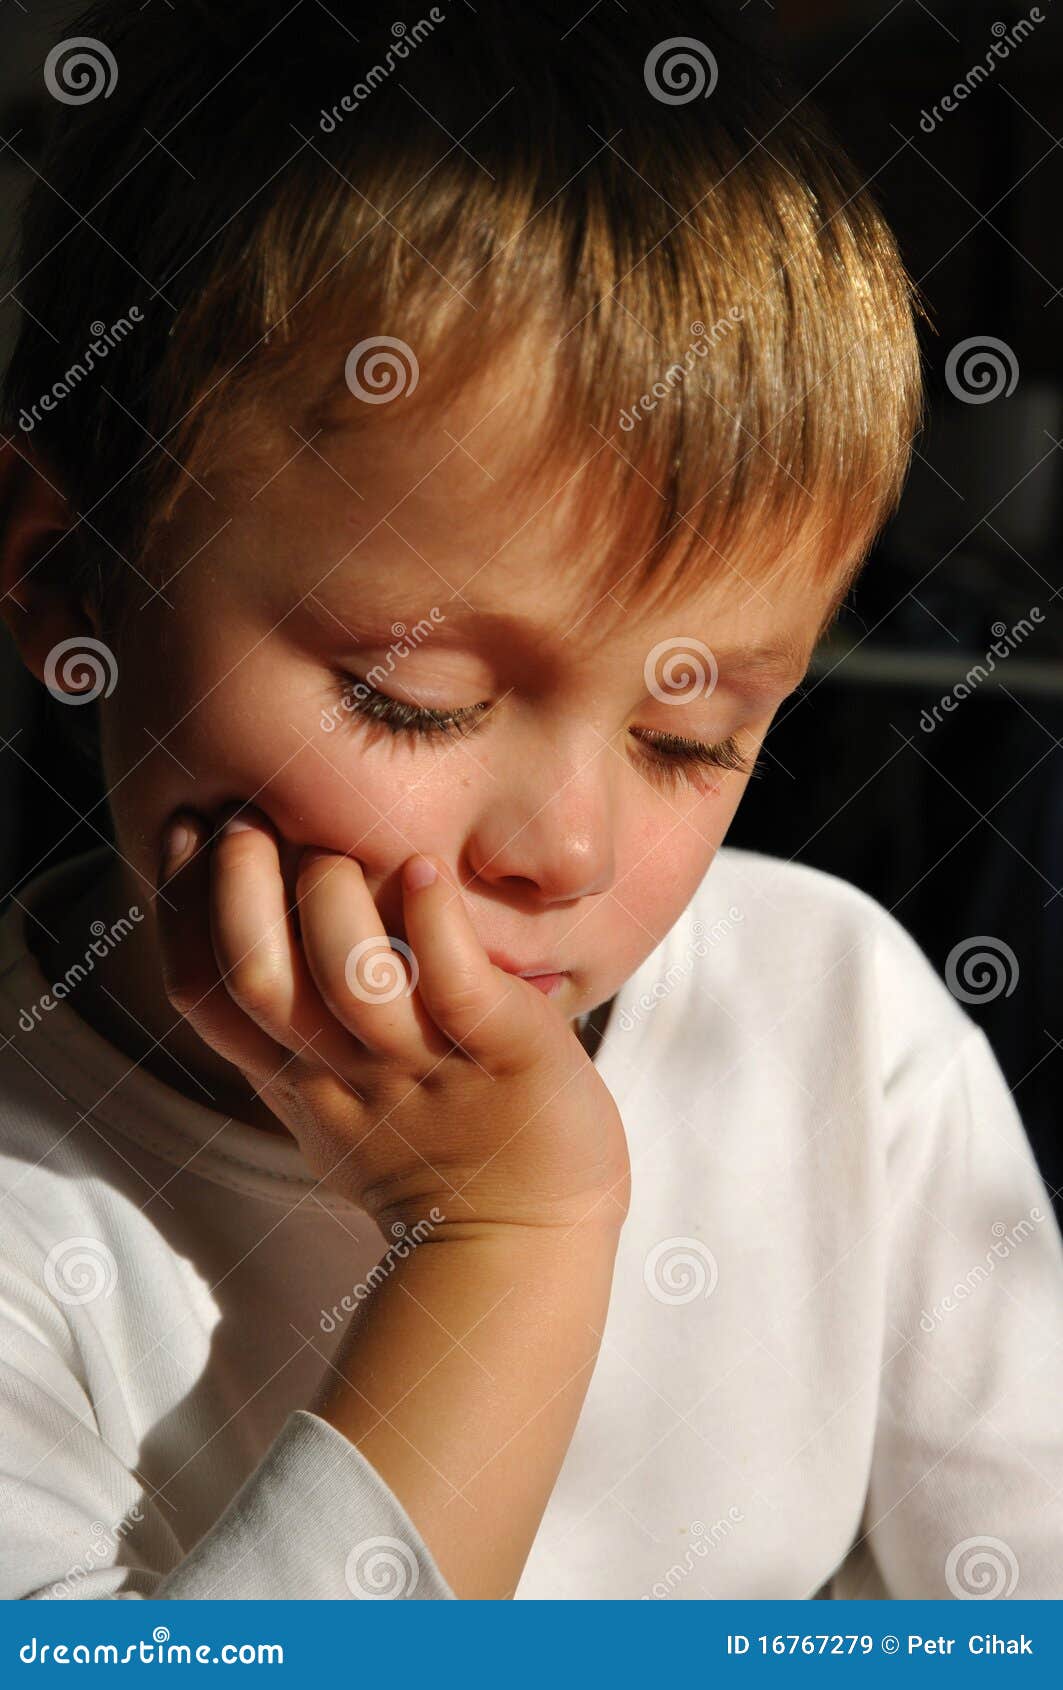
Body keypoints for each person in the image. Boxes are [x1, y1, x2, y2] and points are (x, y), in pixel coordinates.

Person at [0, 0, 1059, 1602]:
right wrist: (503, 1237)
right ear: (63, 576)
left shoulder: (845, 1027)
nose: (565, 850)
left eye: (695, 735)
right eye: (411, 697)